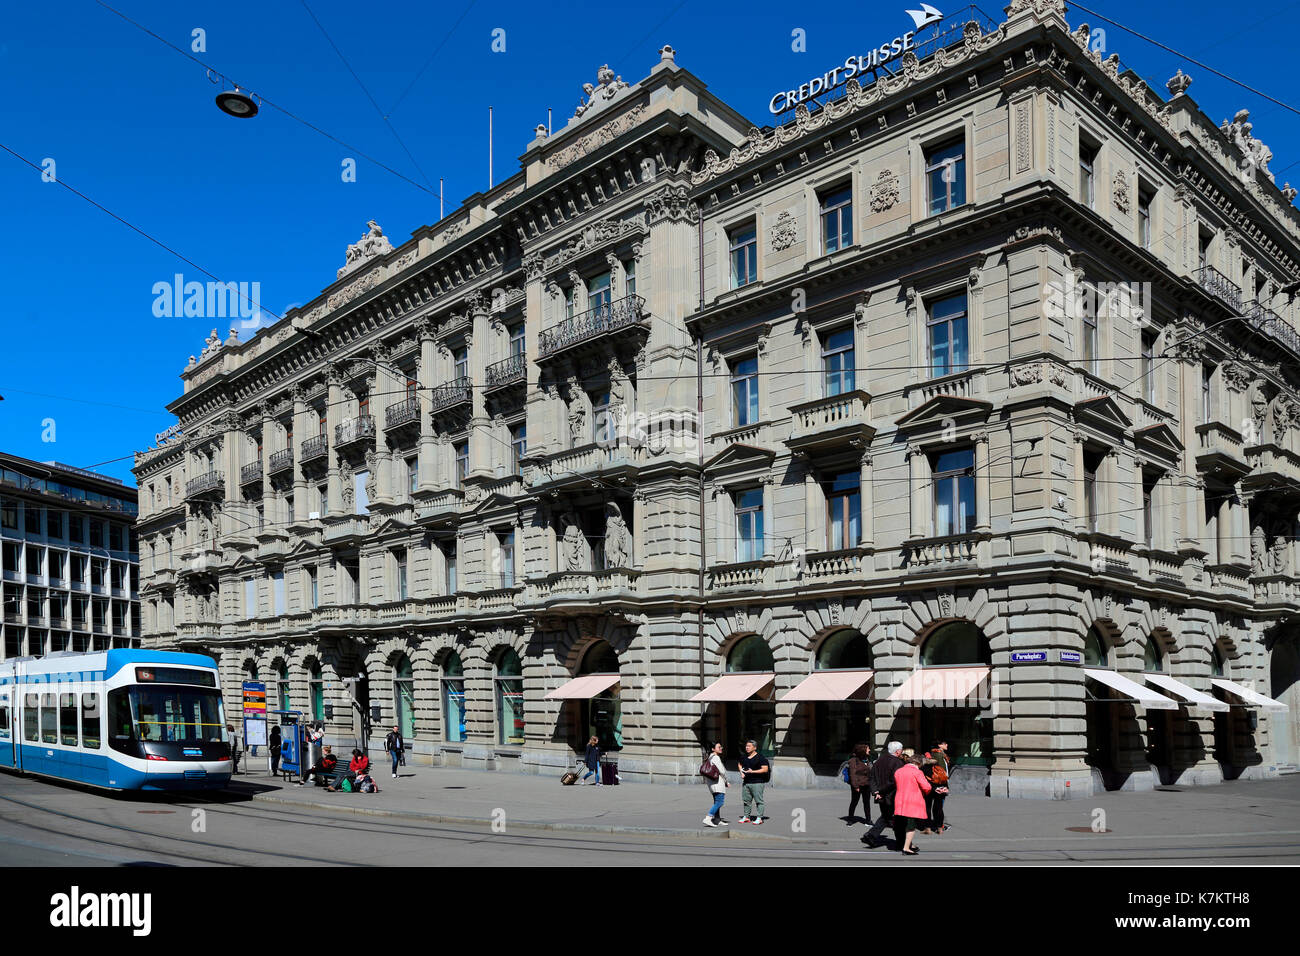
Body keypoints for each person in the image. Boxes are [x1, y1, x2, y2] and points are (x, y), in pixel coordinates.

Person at [862, 741, 904, 847]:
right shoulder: (898, 762)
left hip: (881, 796)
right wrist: (879, 791)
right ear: (898, 751)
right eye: (901, 749)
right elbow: (894, 781)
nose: (902, 751)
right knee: (894, 818)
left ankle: (871, 836)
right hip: (892, 796)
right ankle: (902, 842)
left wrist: (875, 791)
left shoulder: (879, 760)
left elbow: (871, 777)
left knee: (887, 817)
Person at [893, 753, 933, 856]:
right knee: (911, 826)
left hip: (900, 800)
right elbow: (927, 787)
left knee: (902, 824)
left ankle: (908, 844)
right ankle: (906, 848)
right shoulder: (917, 772)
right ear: (918, 763)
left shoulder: (899, 771)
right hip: (913, 801)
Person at [737, 739, 770, 825]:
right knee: (746, 801)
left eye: (749, 746)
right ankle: (746, 817)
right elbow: (739, 764)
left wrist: (752, 771)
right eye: (746, 746)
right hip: (746, 782)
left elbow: (765, 769)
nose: (747, 747)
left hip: (757, 782)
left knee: (759, 801)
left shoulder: (760, 757)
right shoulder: (744, 757)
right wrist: (741, 773)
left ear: (754, 748)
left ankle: (760, 818)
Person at [923, 739, 952, 833]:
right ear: (939, 745)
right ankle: (939, 827)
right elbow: (943, 771)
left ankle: (927, 827)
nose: (947, 744)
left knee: (927, 806)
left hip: (929, 783)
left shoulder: (930, 754)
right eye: (944, 743)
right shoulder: (940, 755)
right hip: (939, 783)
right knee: (938, 807)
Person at [701, 742, 729, 827]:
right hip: (717, 783)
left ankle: (717, 819)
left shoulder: (710, 757)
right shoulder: (716, 757)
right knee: (720, 802)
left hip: (712, 783)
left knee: (717, 801)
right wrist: (726, 780)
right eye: (719, 747)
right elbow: (722, 771)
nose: (721, 748)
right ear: (713, 749)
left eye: (721, 746)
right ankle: (708, 818)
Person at [846, 743, 873, 825]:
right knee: (854, 802)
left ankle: (868, 820)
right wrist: (855, 786)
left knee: (867, 803)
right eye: (868, 749)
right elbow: (852, 774)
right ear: (863, 750)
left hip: (866, 785)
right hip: (857, 785)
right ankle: (850, 819)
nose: (869, 750)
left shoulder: (867, 759)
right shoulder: (853, 760)